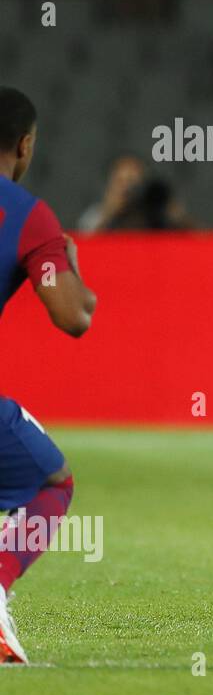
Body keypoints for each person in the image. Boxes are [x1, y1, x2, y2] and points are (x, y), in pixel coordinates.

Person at [0, 87, 98, 663]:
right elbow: (72, 317)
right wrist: (76, 276)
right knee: (51, 484)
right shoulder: (27, 215)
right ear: (25, 145)